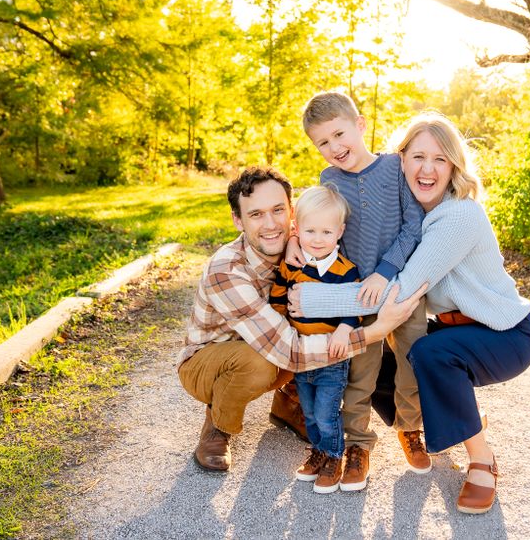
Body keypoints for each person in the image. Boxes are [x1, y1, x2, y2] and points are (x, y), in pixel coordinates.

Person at [289, 113, 530, 514]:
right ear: (400, 159)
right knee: (381, 362)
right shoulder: (415, 207)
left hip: (504, 334)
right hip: (456, 329)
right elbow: (328, 212)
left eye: (440, 159)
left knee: (426, 354)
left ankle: (482, 459)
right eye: (418, 156)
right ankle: (449, 410)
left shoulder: (457, 216)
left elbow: (400, 293)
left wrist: (313, 301)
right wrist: (294, 239)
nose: (427, 169)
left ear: (454, 166)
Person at [176, 166, 425, 472]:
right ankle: (218, 424)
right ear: (238, 220)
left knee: (302, 331)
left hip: (272, 344)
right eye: (256, 214)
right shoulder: (226, 270)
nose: (270, 224)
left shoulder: (303, 243)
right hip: (209, 361)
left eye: (278, 210)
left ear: (292, 213)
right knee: (261, 361)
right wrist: (376, 331)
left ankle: (289, 401)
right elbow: (287, 350)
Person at [287, 92, 430, 492]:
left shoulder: (395, 167)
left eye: (339, 134)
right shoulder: (328, 180)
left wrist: (385, 272)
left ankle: (410, 427)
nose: (334, 147)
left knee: (412, 362)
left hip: (401, 288)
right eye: (323, 142)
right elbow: (319, 223)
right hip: (354, 297)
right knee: (358, 374)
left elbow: (413, 226)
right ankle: (358, 445)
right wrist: (294, 240)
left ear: (360, 125)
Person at [268, 185, 361, 493]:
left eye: (326, 232)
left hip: (332, 357)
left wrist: (345, 329)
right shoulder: (291, 266)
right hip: (300, 356)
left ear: (340, 232)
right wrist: (280, 329)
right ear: (297, 229)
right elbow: (278, 300)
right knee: (308, 412)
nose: (318, 239)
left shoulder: (346, 271)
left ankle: (334, 456)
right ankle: (318, 451)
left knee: (325, 413)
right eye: (310, 231)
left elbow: (355, 307)